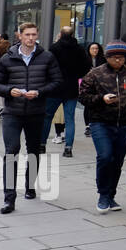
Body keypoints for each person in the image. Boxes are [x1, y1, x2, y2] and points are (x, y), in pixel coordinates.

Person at [0, 23, 63, 214]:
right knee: (11, 150)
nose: (31, 38)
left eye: (34, 34)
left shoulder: (47, 57)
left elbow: (57, 82)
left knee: (33, 151)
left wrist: (39, 92)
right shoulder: (8, 58)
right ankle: (9, 198)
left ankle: (30, 186)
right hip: (12, 112)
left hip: (36, 112)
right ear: (20, 36)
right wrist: (9, 91)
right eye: (27, 35)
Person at [77, 41, 126, 213]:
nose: (118, 61)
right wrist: (101, 99)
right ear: (107, 57)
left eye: (121, 57)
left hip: (123, 125)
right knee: (105, 156)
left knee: (116, 162)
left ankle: (111, 195)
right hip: (100, 123)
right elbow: (82, 96)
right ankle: (102, 194)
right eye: (114, 58)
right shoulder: (95, 74)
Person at [44, 26, 91, 157]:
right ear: (72, 34)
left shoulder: (54, 48)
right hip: (71, 87)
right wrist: (77, 75)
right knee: (70, 119)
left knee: (47, 116)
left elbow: (47, 66)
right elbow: (86, 66)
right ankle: (68, 148)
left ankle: (42, 144)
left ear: (61, 34)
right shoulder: (79, 49)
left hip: (55, 87)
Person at [83, 42, 105, 137]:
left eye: (96, 48)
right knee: (88, 105)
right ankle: (88, 125)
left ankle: (96, 124)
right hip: (88, 85)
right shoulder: (85, 60)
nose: (95, 50)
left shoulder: (102, 60)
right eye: (93, 48)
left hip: (99, 85)